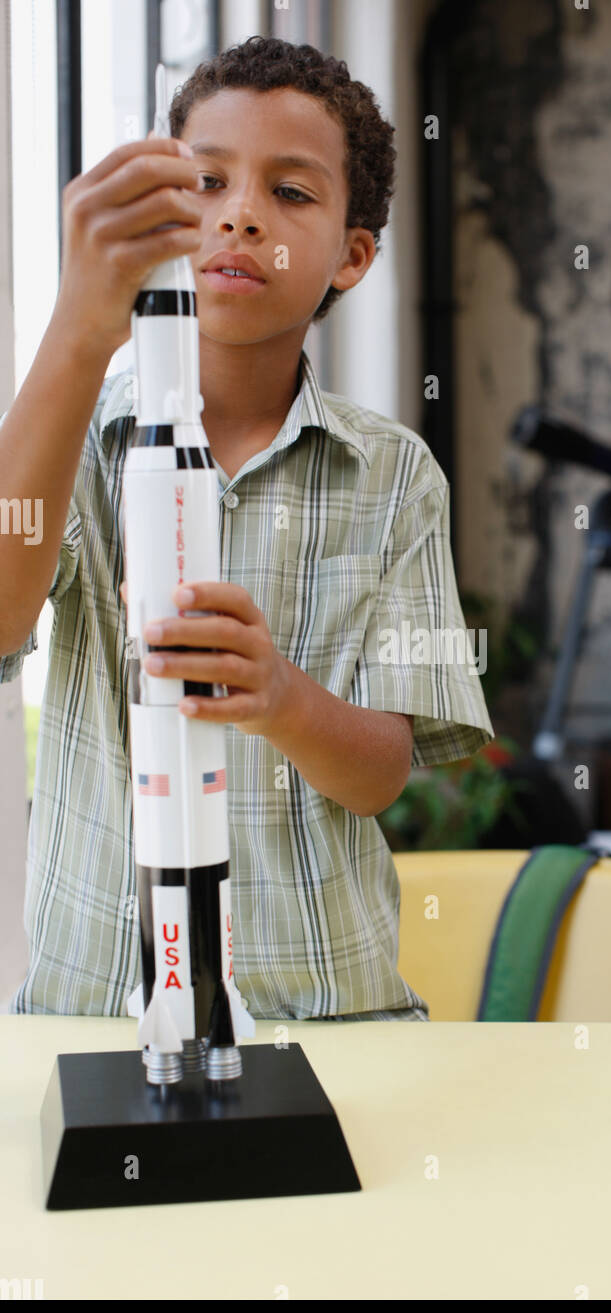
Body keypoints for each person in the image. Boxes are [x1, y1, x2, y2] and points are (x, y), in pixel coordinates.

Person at [0, 37, 494, 1022]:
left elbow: (378, 774)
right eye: (208, 182)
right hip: (95, 1017)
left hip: (326, 1018)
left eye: (291, 194)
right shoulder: (76, 435)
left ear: (352, 255)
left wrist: (279, 698)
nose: (238, 215)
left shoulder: (393, 474)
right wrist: (79, 324)